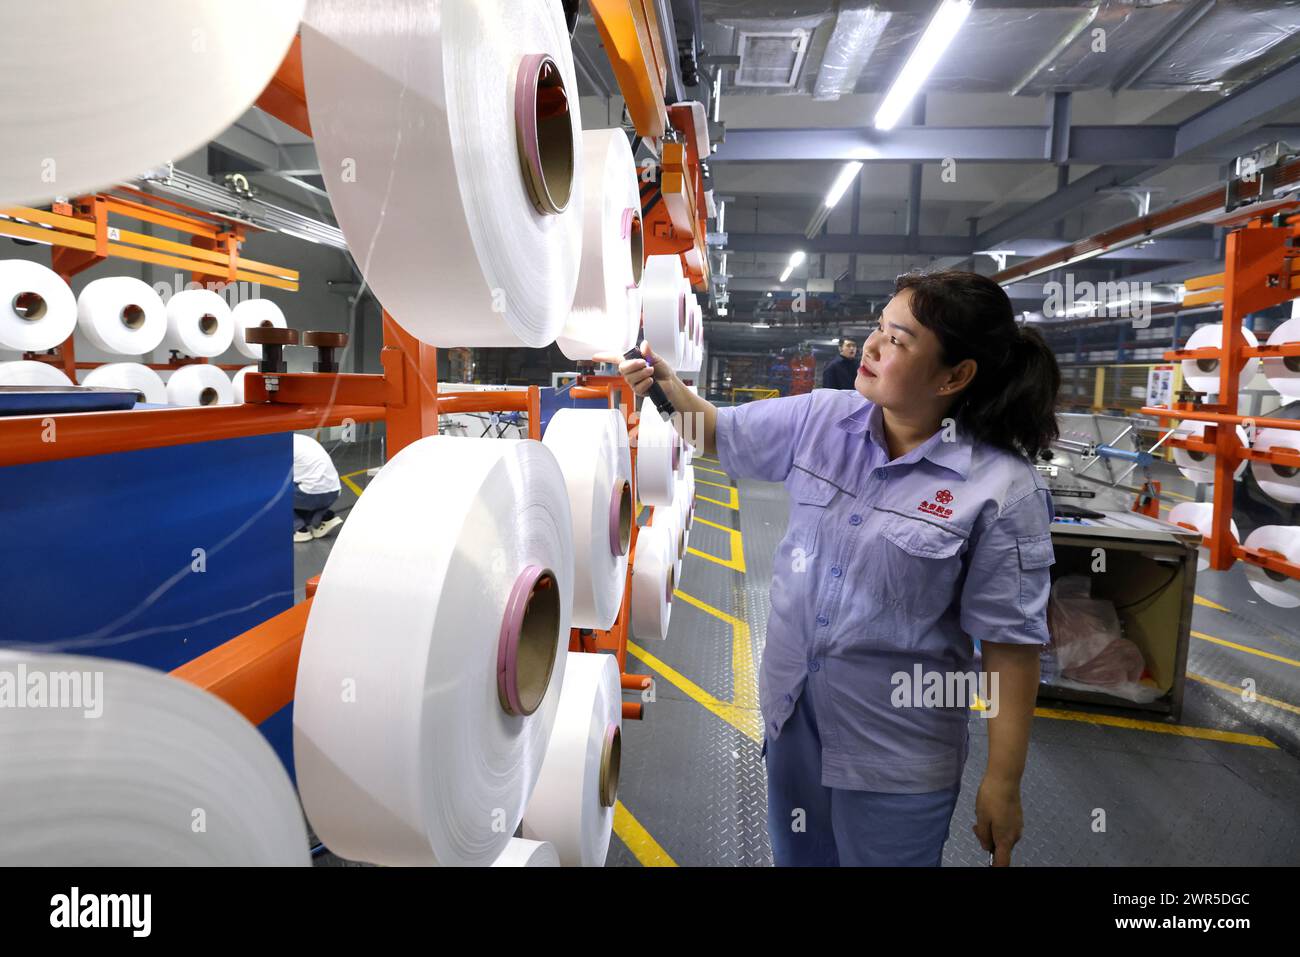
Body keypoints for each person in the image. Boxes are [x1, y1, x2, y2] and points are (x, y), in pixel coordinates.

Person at [596, 270, 1060, 867]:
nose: (870, 346)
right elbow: (714, 434)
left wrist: (1003, 780)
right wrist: (663, 389)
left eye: (898, 340)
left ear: (956, 375)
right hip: (793, 722)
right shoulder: (823, 419)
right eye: (878, 328)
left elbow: (1009, 646)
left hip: (894, 752)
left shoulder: (1001, 489)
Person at [292, 432, 343, 543]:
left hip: (312, 494)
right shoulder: (304, 439)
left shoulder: (281, 447)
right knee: (301, 486)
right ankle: (321, 519)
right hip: (335, 491)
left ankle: (298, 529)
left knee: (273, 493)